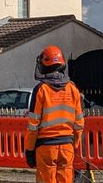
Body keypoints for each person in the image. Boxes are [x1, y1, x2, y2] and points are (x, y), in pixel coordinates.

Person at [25, 46, 84, 183]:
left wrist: (29, 150)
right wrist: (74, 144)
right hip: (67, 146)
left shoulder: (41, 89)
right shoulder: (72, 89)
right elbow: (79, 123)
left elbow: (33, 125)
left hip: (45, 147)